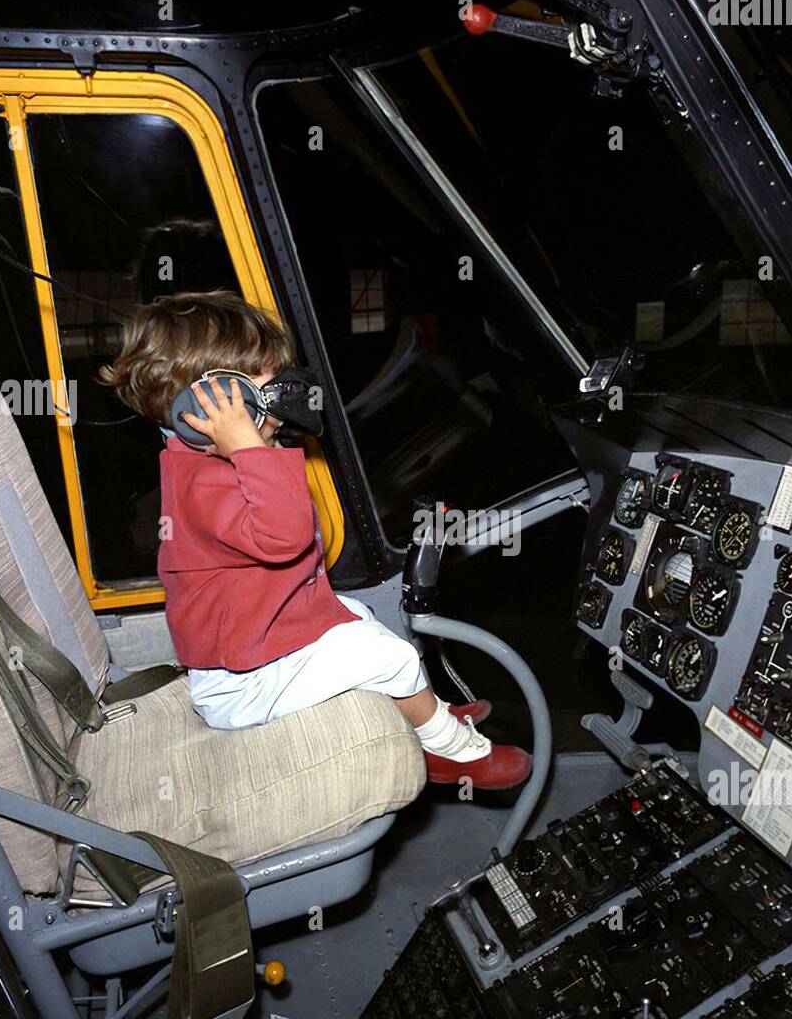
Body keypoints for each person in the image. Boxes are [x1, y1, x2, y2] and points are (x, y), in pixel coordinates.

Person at [99, 290, 531, 790]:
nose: (283, 393)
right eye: (263, 384)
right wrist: (251, 449)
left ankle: (426, 714)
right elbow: (286, 538)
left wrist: (250, 446)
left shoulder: (204, 463)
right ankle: (453, 753)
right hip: (242, 684)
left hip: (260, 647)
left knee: (358, 616)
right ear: (205, 404)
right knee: (390, 656)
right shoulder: (201, 484)